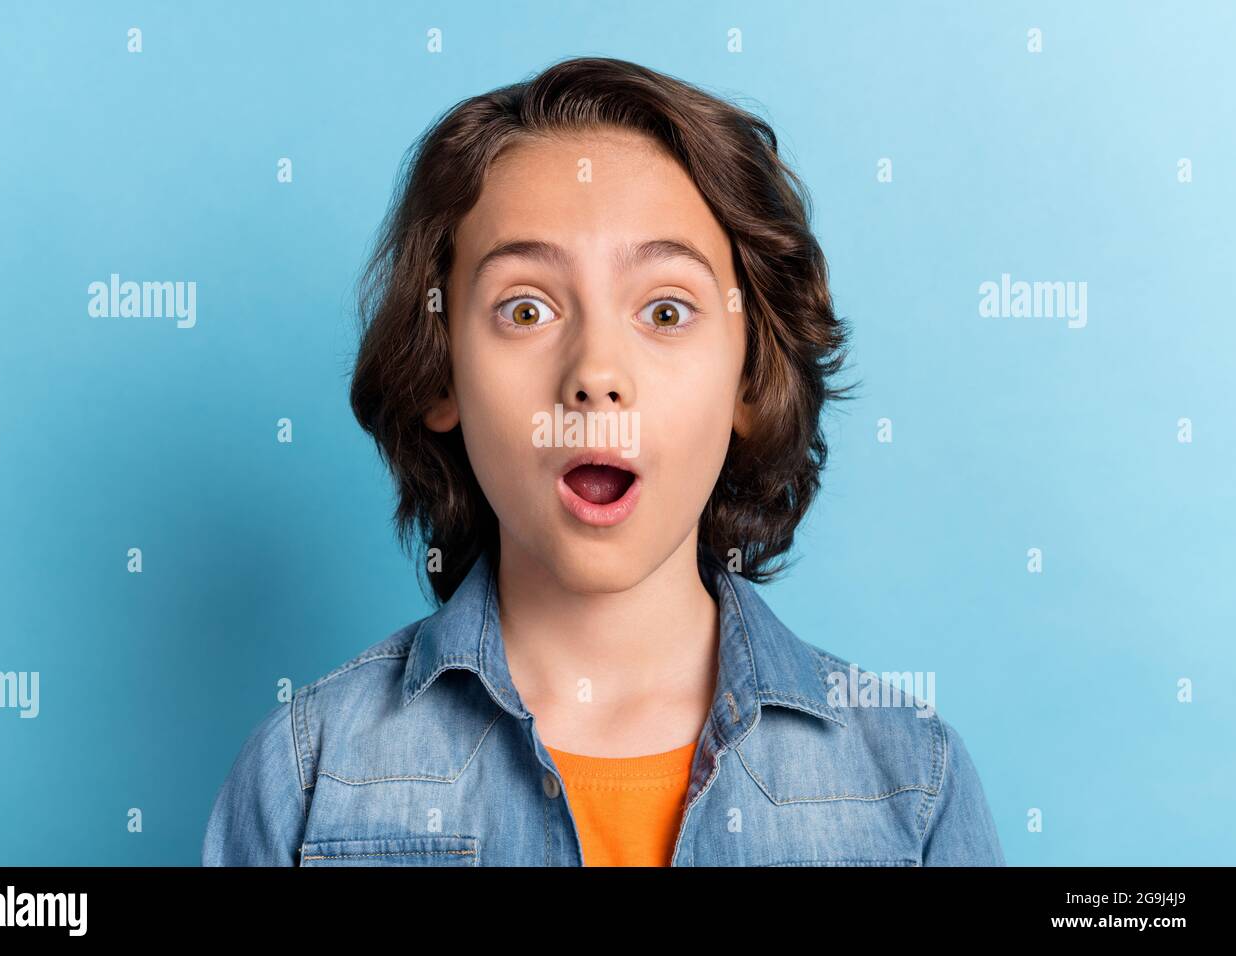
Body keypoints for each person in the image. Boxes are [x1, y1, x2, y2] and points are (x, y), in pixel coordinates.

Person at [203, 55, 1005, 867]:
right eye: (525, 308)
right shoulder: (305, 779)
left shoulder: (913, 783)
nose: (595, 376)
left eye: (665, 309)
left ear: (750, 380)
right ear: (441, 373)